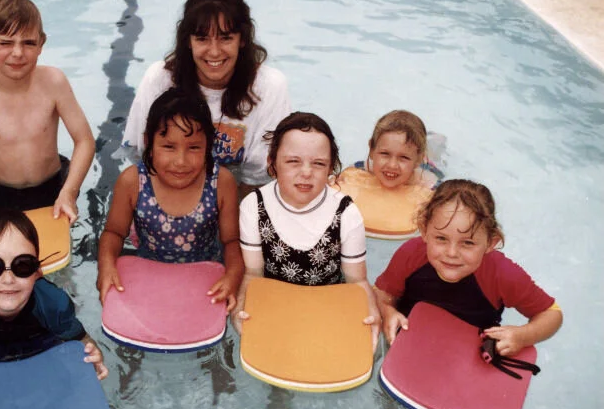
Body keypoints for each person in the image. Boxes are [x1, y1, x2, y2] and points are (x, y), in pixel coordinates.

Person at [0, 0, 95, 237]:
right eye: (5, 43)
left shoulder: (54, 83)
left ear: (41, 44)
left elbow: (85, 141)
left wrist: (69, 192)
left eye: (28, 43)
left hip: (54, 186)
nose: (17, 53)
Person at [121, 0, 292, 196]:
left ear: (243, 40)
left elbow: (257, 179)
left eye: (226, 38)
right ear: (188, 41)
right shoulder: (160, 79)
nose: (214, 52)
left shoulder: (269, 87)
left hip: (236, 198)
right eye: (202, 39)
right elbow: (142, 156)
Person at [0, 209, 107, 409]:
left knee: (59, 402)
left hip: (44, 352)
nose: (8, 279)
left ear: (37, 273)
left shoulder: (53, 304)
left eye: (23, 265)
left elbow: (82, 342)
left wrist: (94, 355)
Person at [234, 113, 380, 341]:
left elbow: (357, 281)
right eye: (293, 161)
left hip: (328, 305)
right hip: (276, 305)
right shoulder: (254, 206)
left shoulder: (346, 213)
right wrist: (242, 306)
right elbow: (253, 273)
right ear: (272, 162)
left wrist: (371, 313)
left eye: (319, 163)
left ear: (331, 168)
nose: (306, 172)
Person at [374, 179, 562, 354]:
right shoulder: (411, 254)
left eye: (468, 243)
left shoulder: (501, 274)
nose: (452, 253)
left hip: (470, 356)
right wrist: (388, 312)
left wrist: (523, 336)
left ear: (491, 242)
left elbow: (551, 314)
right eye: (441, 239)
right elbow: (383, 294)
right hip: (412, 343)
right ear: (424, 231)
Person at [97, 88, 244, 310]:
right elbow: (114, 232)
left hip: (206, 278)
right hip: (150, 273)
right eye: (168, 147)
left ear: (208, 145)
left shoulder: (221, 182)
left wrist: (232, 276)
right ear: (149, 142)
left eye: (194, 147)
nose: (180, 161)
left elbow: (231, 241)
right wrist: (106, 266)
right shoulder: (133, 182)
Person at [339, 110, 443, 192]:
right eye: (385, 154)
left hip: (428, 167)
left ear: (418, 160)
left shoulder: (428, 183)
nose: (392, 165)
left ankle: (435, 140)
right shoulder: (361, 168)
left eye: (403, 157)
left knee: (434, 153)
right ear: (371, 150)